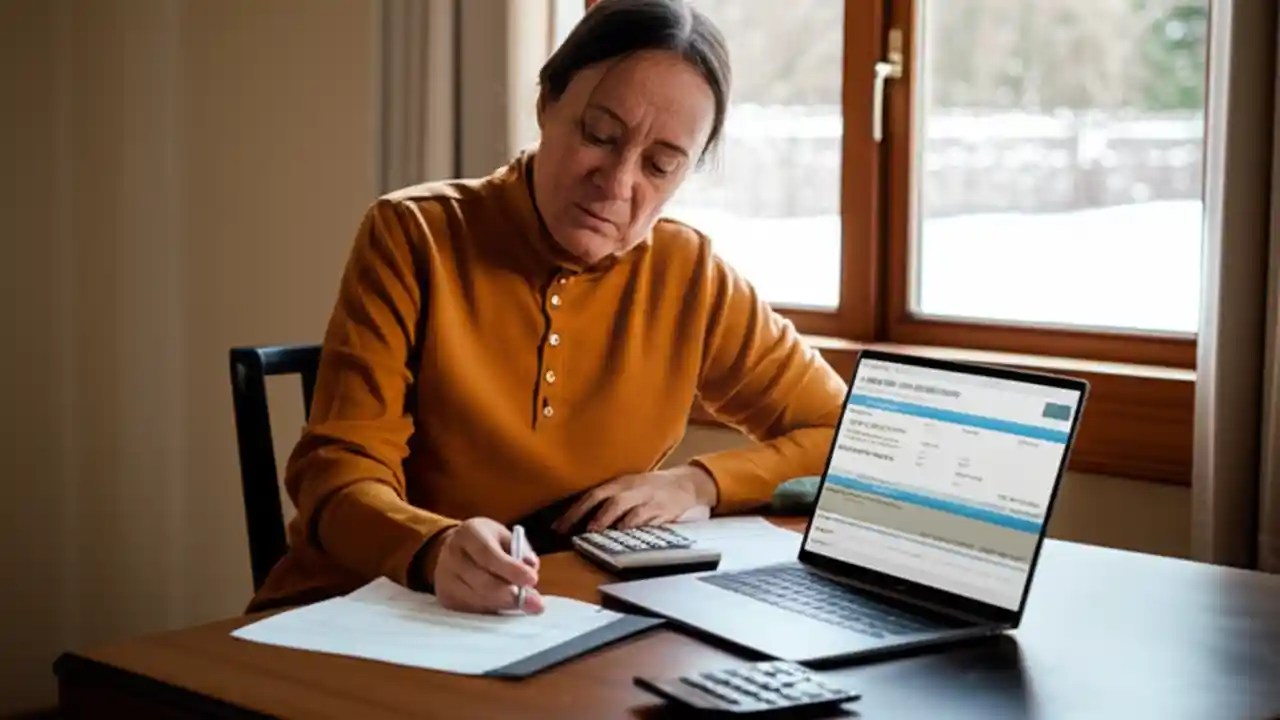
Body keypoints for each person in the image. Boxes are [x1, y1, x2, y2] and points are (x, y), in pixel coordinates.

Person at [247, 0, 846, 616]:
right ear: (546, 101)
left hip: (555, 618)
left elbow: (841, 435)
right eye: (600, 136)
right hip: (358, 610)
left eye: (660, 165)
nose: (616, 184)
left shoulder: (688, 275)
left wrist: (700, 483)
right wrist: (432, 547)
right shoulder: (414, 235)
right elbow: (337, 476)